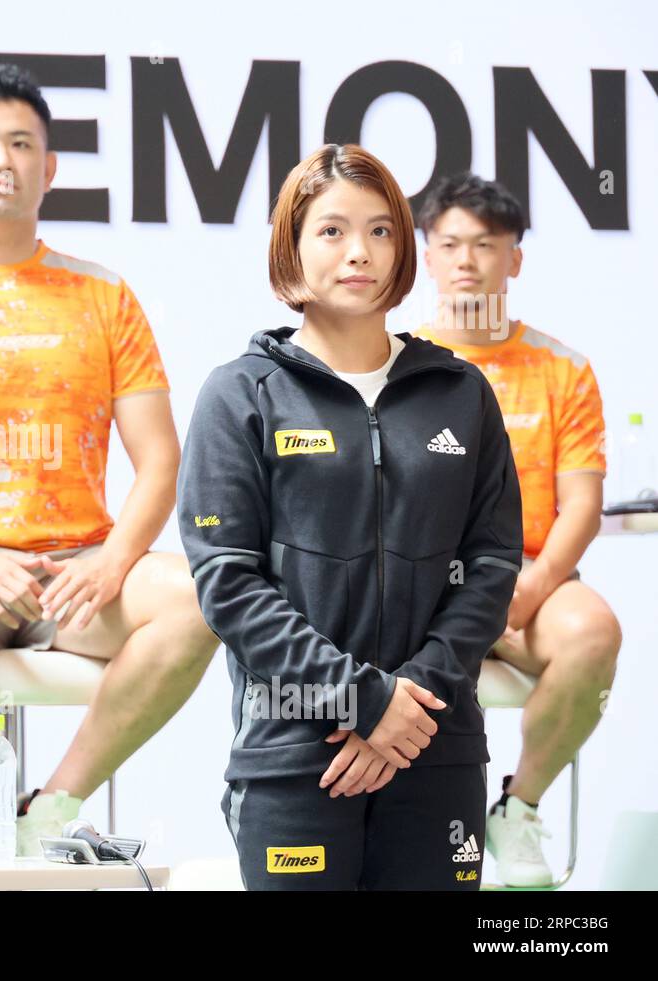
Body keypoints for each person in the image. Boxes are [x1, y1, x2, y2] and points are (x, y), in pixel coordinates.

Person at [0, 63, 219, 856]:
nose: (2, 160)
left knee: (201, 598)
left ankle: (52, 807)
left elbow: (161, 459)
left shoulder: (104, 295)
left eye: (22, 144)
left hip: (77, 573)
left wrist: (113, 560)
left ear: (49, 168)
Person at [179, 144, 524, 890]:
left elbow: (492, 567)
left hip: (438, 746)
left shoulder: (461, 392)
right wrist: (365, 701)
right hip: (295, 750)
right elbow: (229, 585)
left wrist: (406, 709)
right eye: (331, 231)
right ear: (292, 248)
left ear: (402, 248)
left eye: (380, 231)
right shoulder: (241, 393)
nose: (358, 252)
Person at [416, 173, 621, 887]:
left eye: (485, 244)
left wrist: (528, 589)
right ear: (428, 256)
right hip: (422, 581)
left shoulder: (562, 368)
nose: (467, 260)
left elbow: (582, 505)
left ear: (515, 259)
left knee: (594, 631)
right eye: (450, 245)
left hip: (528, 580)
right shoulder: (396, 359)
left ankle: (516, 807)